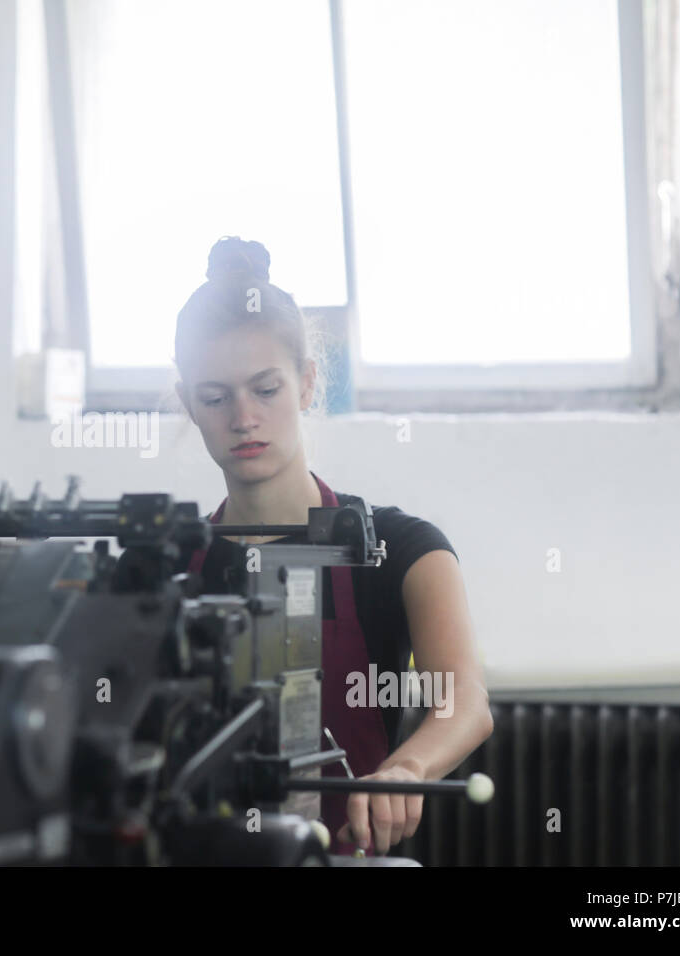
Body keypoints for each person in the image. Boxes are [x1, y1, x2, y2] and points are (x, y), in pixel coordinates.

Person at [173, 236, 493, 856]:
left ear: (308, 383)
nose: (243, 417)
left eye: (266, 389)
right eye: (215, 397)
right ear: (189, 403)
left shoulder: (404, 550)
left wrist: (407, 769)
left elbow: (466, 704)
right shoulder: (170, 571)